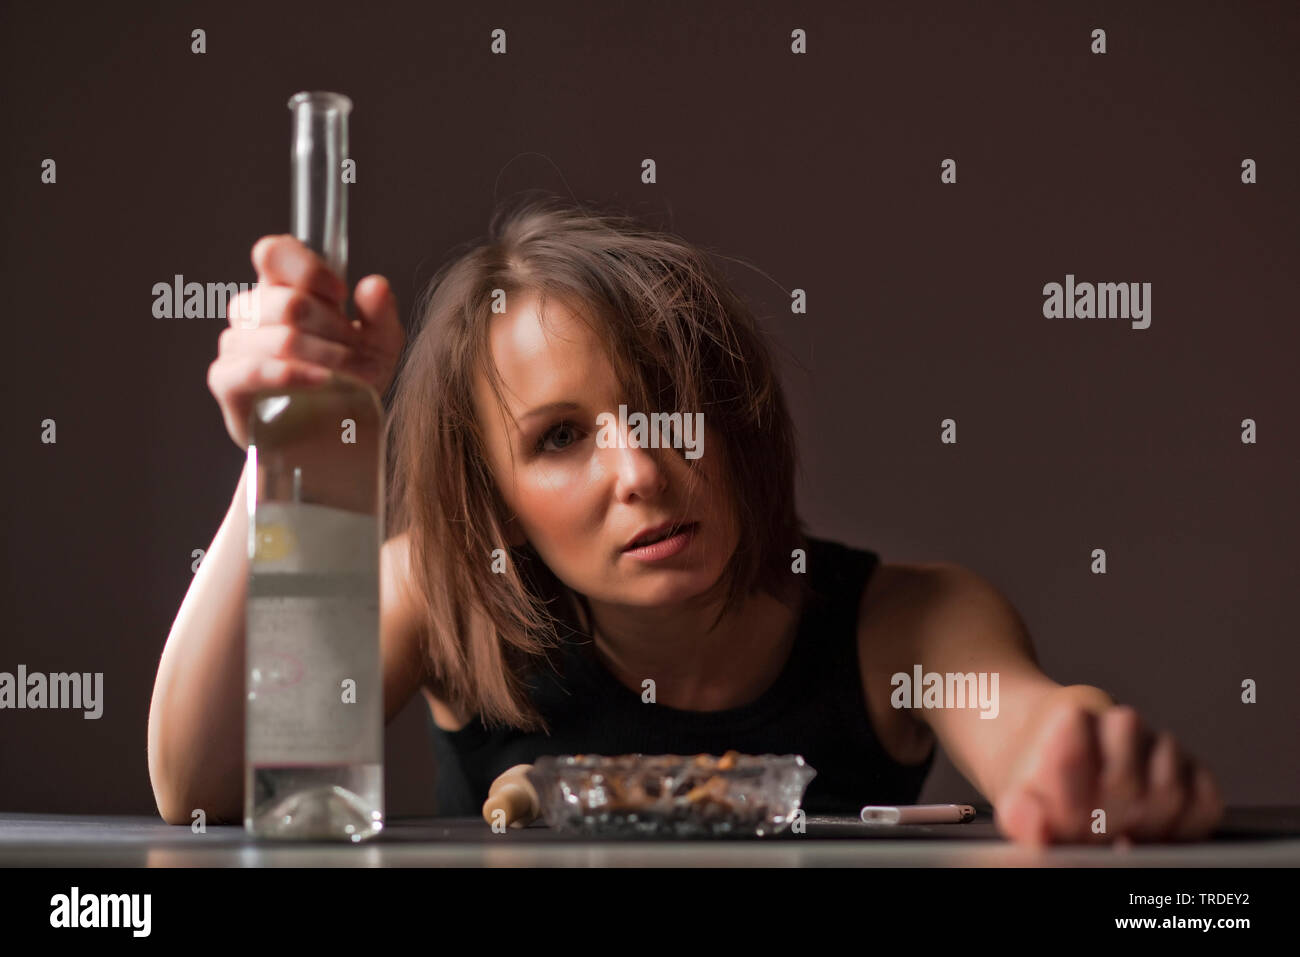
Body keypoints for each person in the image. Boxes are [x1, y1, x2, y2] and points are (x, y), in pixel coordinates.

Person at [150, 193, 1224, 845]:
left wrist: (1083, 759)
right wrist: (286, 458)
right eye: (559, 438)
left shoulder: (910, 621)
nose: (643, 476)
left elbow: (1032, 727)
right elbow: (201, 791)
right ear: (499, 502)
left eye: (668, 412)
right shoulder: (435, 591)